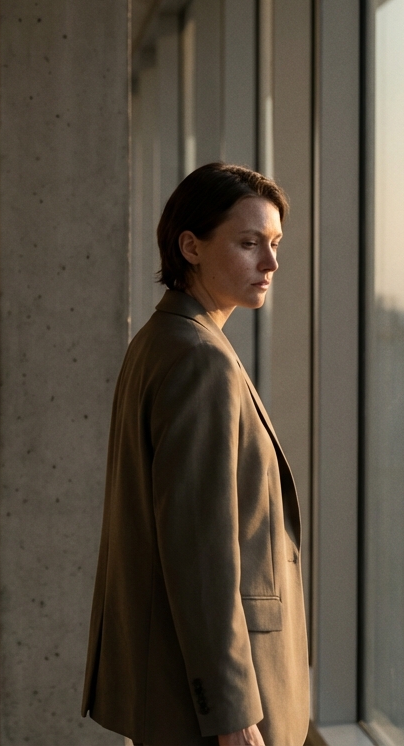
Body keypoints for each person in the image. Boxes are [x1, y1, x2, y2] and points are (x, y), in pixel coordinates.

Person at [81, 164, 309, 746]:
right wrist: (231, 710)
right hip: (211, 702)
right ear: (191, 246)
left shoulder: (162, 340)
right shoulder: (199, 359)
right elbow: (200, 551)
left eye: (275, 243)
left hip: (173, 680)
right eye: (248, 242)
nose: (271, 263)